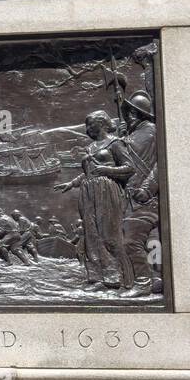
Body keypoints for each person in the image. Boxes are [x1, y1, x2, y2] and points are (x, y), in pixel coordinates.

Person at [55, 110, 132, 290]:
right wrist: (71, 183)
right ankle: (96, 278)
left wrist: (107, 170)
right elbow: (88, 172)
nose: (87, 128)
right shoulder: (90, 148)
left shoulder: (115, 143)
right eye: (86, 125)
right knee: (91, 236)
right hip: (88, 191)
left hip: (107, 190)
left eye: (90, 124)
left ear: (102, 123)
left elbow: (129, 168)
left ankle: (116, 277)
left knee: (109, 235)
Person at [113, 90, 162, 297]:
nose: (128, 116)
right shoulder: (131, 134)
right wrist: (121, 136)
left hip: (144, 198)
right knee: (142, 241)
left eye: (132, 112)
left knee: (131, 242)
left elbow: (160, 164)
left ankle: (143, 283)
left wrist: (147, 188)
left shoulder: (151, 131)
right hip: (131, 197)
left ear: (139, 114)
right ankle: (154, 280)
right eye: (127, 112)